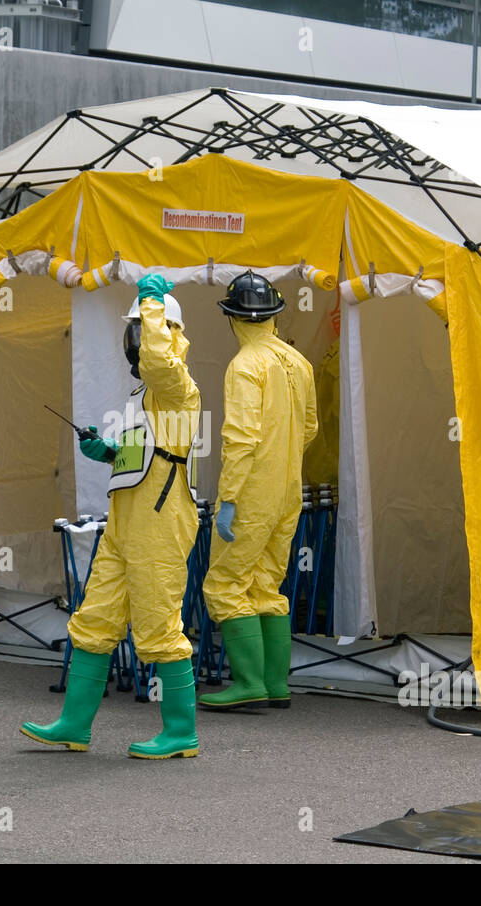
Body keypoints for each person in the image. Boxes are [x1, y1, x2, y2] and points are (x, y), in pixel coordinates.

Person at [21, 273, 202, 758]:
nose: (136, 341)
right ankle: (74, 725)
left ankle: (181, 733)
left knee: (160, 625)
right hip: (126, 521)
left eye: (142, 330)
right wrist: (108, 452)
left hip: (161, 521)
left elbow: (161, 362)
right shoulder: (145, 399)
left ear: (166, 333)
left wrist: (152, 302)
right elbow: (146, 457)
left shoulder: (177, 387)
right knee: (96, 618)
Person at [199, 271, 317, 711]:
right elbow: (310, 428)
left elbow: (241, 439)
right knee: (267, 583)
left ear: (232, 319)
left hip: (250, 494)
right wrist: (282, 459)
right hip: (288, 491)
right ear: (273, 315)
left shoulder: (245, 365)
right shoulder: (298, 362)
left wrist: (229, 498)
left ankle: (248, 683)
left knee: (226, 584)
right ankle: (274, 685)